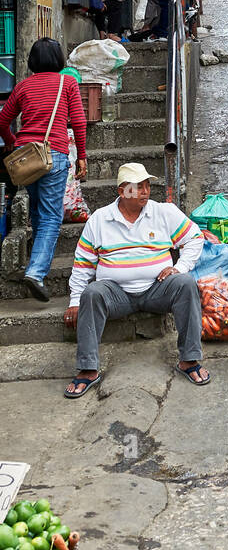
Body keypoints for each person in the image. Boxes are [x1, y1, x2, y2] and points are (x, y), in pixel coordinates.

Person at [63, 162, 207, 396]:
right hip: (116, 294)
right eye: (138, 187)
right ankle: (88, 368)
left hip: (157, 289)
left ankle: (189, 360)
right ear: (122, 191)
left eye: (147, 186)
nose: (145, 192)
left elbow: (195, 238)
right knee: (92, 292)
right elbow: (82, 265)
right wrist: (74, 301)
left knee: (186, 283)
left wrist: (179, 267)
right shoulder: (99, 219)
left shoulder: (163, 212)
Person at [0, 38, 87, 301]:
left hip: (27, 158)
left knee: (37, 214)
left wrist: (15, 144)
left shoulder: (23, 86)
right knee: (50, 216)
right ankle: (36, 273)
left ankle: (36, 267)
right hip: (54, 155)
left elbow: (3, 120)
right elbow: (80, 121)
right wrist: (82, 155)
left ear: (33, 61)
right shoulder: (67, 82)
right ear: (59, 59)